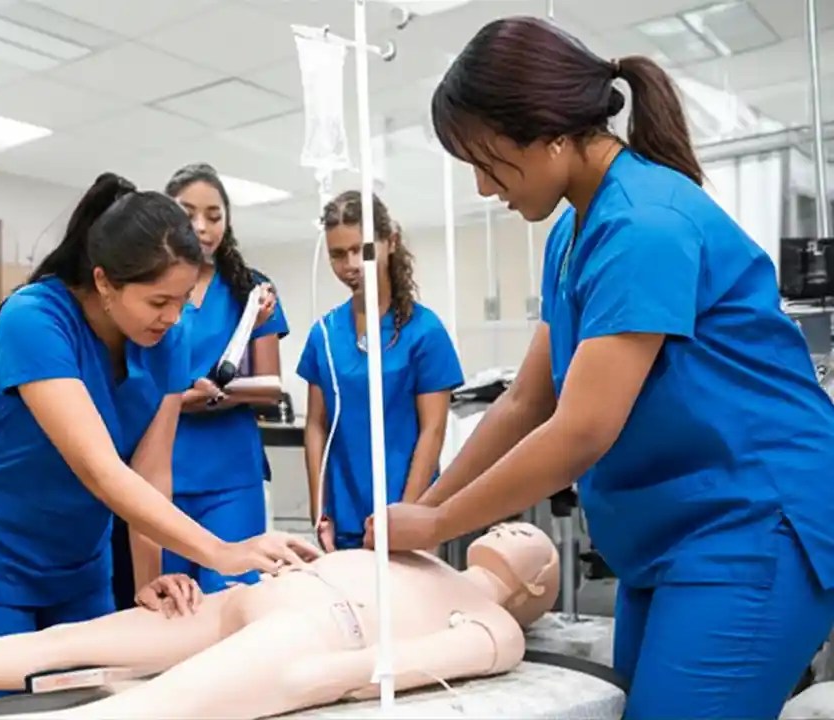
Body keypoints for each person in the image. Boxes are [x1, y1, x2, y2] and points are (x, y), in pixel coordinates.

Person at [370, 16, 834, 720]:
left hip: (757, 525)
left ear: (551, 135)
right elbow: (527, 401)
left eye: (489, 161)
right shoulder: (574, 232)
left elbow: (580, 430)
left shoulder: (644, 223)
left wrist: (436, 529)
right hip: (672, 535)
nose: (485, 187)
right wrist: (427, 508)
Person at [0, 172, 320, 714]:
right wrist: (222, 551)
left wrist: (147, 583)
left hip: (80, 569)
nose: (174, 317)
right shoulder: (34, 319)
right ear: (105, 283)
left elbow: (152, 471)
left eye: (181, 301)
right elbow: (103, 470)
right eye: (159, 301)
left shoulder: (166, 339)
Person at [0, 522, 558, 720]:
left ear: (535, 592)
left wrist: (318, 680)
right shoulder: (427, 554)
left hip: (328, 631)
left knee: (157, 706)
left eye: (539, 550)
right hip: (279, 591)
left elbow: (418, 661)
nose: (525, 535)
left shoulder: (498, 623)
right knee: (72, 641)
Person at [299, 192, 463, 552]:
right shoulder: (324, 335)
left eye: (362, 249)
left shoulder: (425, 332)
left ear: (390, 242)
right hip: (343, 515)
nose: (351, 265)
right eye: (338, 255)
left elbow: (432, 430)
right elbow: (315, 426)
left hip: (407, 512)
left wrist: (406, 513)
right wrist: (319, 511)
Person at [157, 162, 290, 594]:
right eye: (188, 213)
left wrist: (213, 394)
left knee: (232, 596)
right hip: (161, 472)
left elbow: (270, 385)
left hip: (232, 476)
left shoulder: (251, 290)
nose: (202, 227)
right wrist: (179, 399)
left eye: (214, 215)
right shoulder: (148, 286)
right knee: (169, 602)